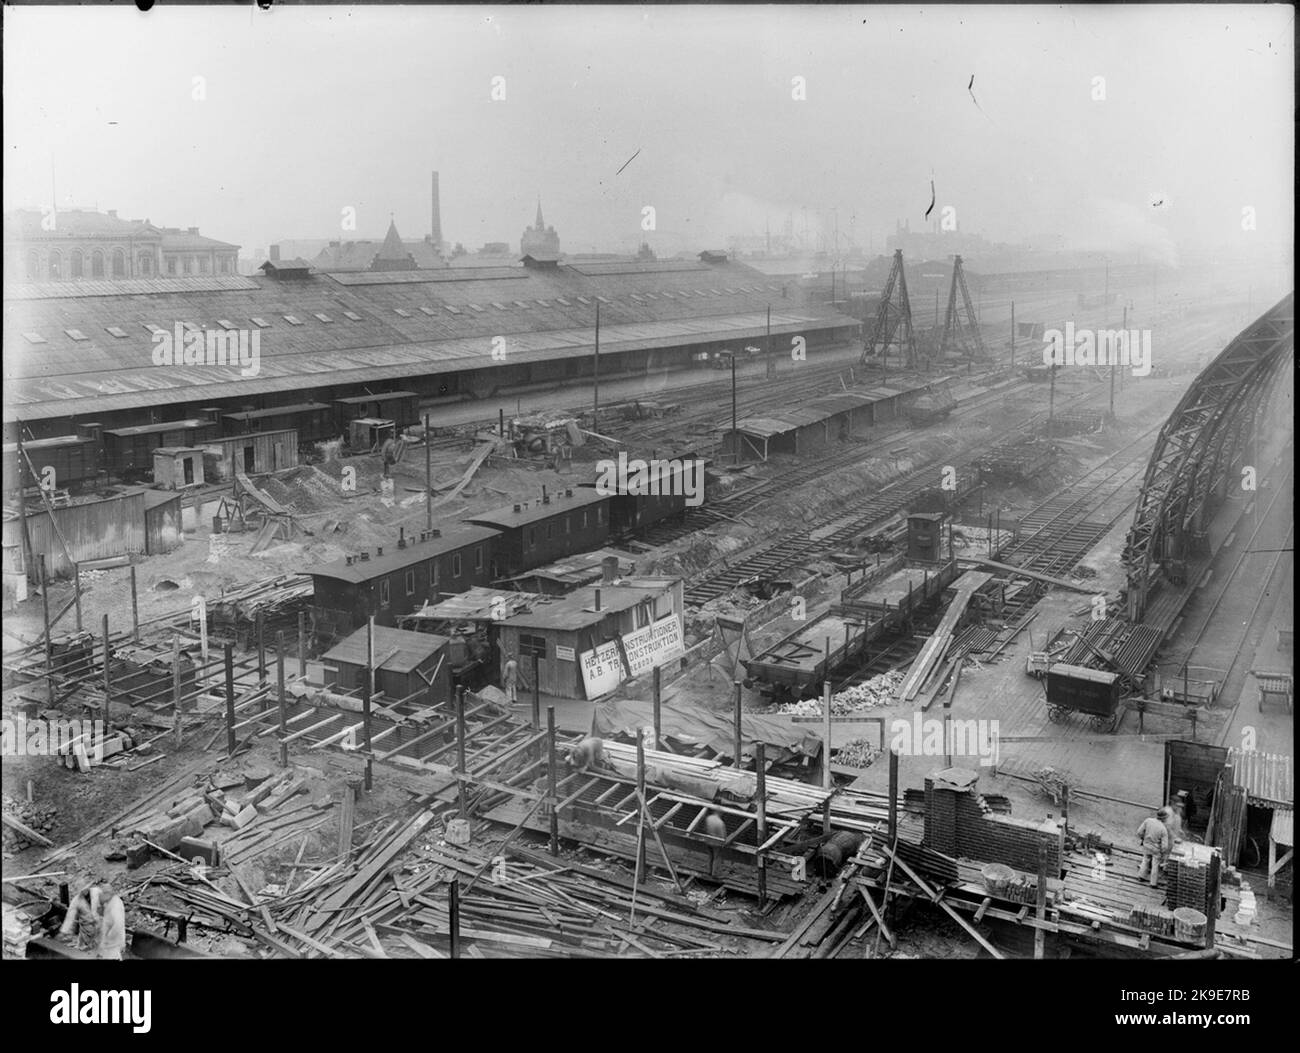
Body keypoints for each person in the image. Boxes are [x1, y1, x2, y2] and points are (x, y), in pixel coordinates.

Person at [60, 880, 127, 960]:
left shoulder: (98, 893)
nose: (84, 892)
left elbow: (111, 919)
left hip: (102, 932)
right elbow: (70, 917)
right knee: (89, 952)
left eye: (86, 889)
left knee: (107, 953)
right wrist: (65, 931)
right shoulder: (76, 900)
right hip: (86, 930)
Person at [1136, 809, 1170, 887]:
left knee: (1145, 860)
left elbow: (1139, 832)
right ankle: (1153, 883)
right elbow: (1165, 846)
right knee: (1155, 865)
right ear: (1164, 818)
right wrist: (1163, 852)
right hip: (1156, 849)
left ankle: (1141, 877)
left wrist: (1143, 839)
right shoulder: (1163, 829)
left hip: (1146, 845)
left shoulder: (1148, 821)